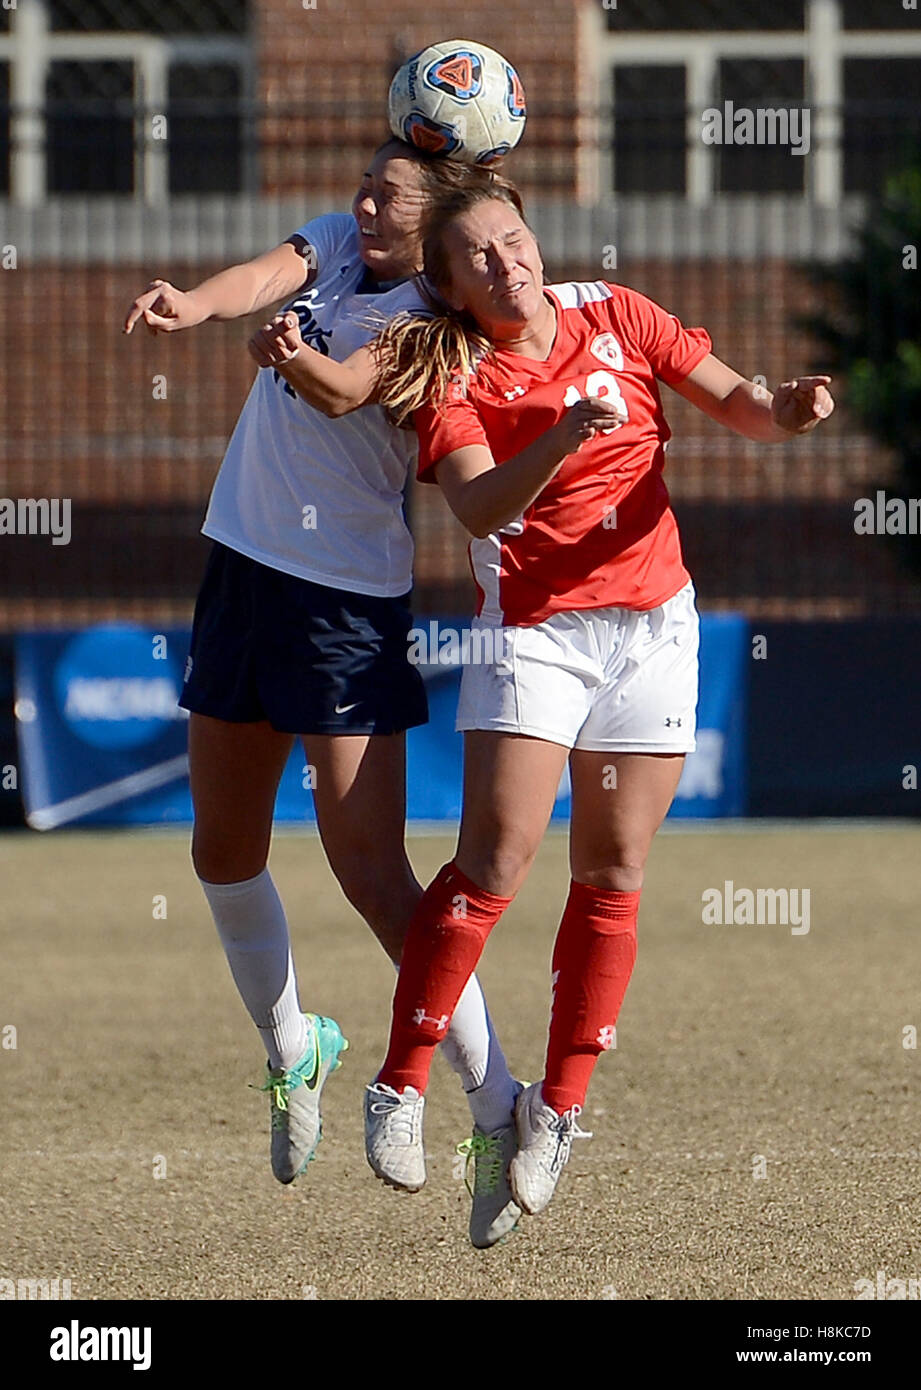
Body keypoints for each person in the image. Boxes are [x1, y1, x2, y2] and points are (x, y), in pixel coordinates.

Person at [256, 178, 834, 1219]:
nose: (507, 263)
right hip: (540, 633)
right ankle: (401, 1080)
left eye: (514, 240)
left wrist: (785, 409)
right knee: (493, 865)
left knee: (613, 873)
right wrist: (563, 435)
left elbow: (741, 402)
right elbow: (478, 503)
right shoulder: (454, 370)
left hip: (655, 626)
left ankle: (555, 1111)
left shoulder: (616, 311)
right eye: (478, 256)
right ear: (447, 284)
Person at [122, 144, 524, 1250]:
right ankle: (295, 1047)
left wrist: (294, 358)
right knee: (221, 848)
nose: (360, 205)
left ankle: (499, 1107)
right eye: (364, 185)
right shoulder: (346, 244)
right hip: (241, 569)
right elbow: (263, 271)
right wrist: (191, 304)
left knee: (374, 875)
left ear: (434, 226)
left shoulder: (434, 325)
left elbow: (348, 387)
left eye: (386, 196)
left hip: (343, 608)